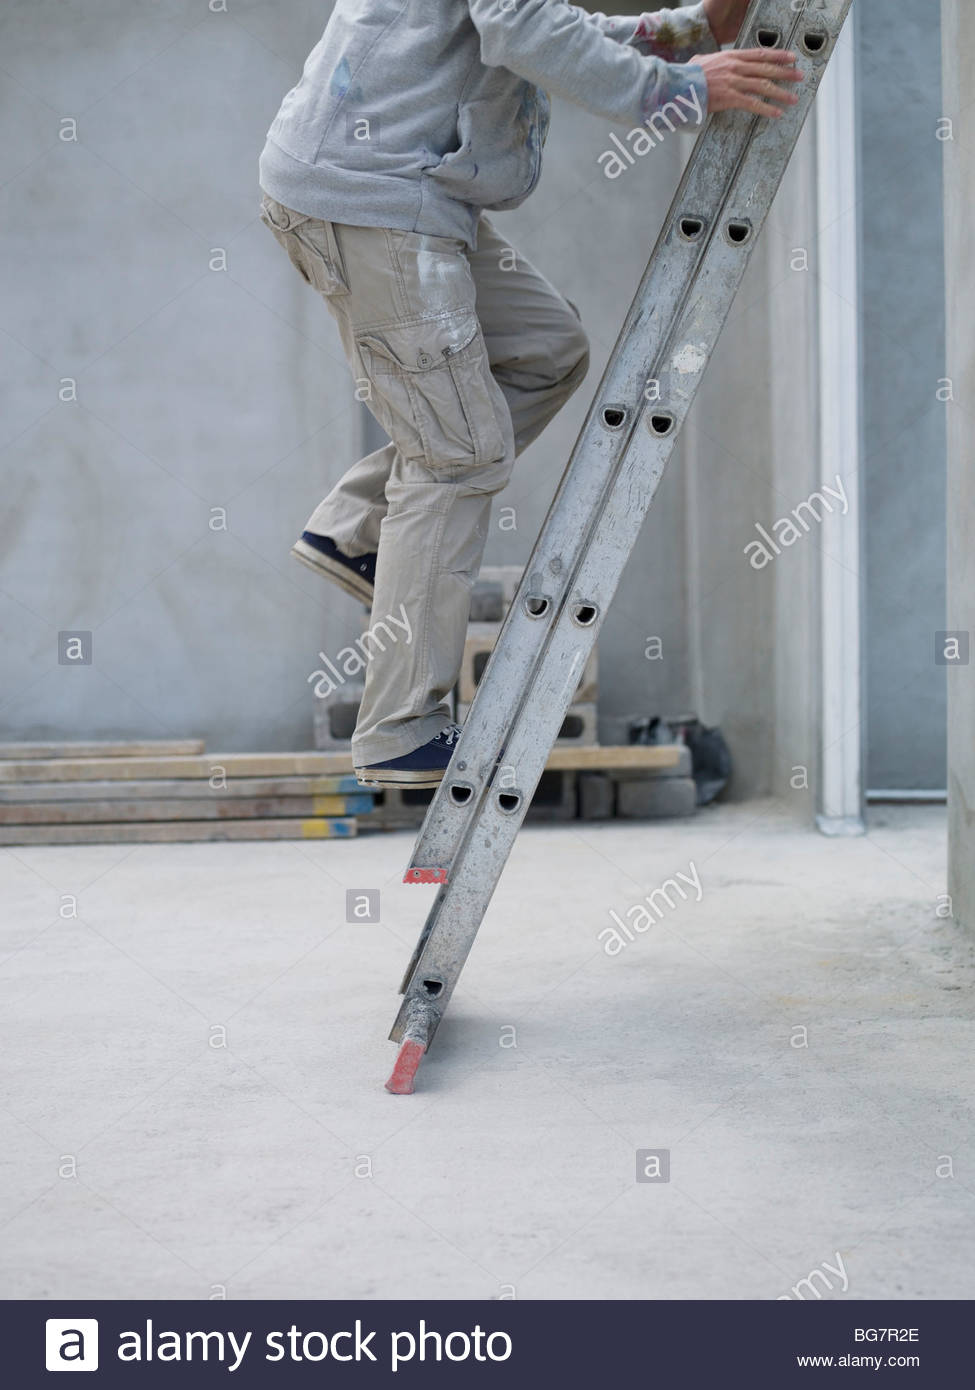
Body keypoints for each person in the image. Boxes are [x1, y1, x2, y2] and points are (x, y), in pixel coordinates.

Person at [258, 0, 801, 788]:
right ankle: (398, 729)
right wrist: (676, 88)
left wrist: (688, 34)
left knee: (546, 349)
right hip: (372, 200)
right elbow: (521, 29)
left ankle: (361, 529)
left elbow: (533, 25)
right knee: (456, 458)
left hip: (416, 194)